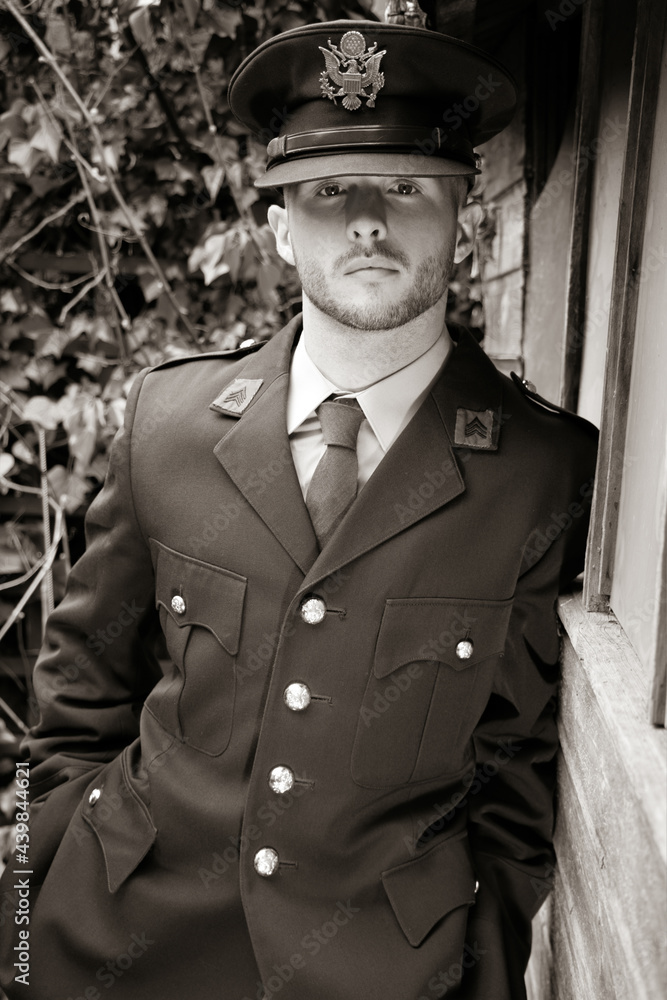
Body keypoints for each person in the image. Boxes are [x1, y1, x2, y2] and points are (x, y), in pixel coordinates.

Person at [0, 12, 598, 1000]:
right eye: (327, 192)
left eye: (405, 188)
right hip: (106, 955)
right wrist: (20, 919)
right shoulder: (169, 422)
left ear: (464, 214)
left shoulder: (540, 472)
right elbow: (75, 705)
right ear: (278, 225)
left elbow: (513, 783)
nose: (366, 219)